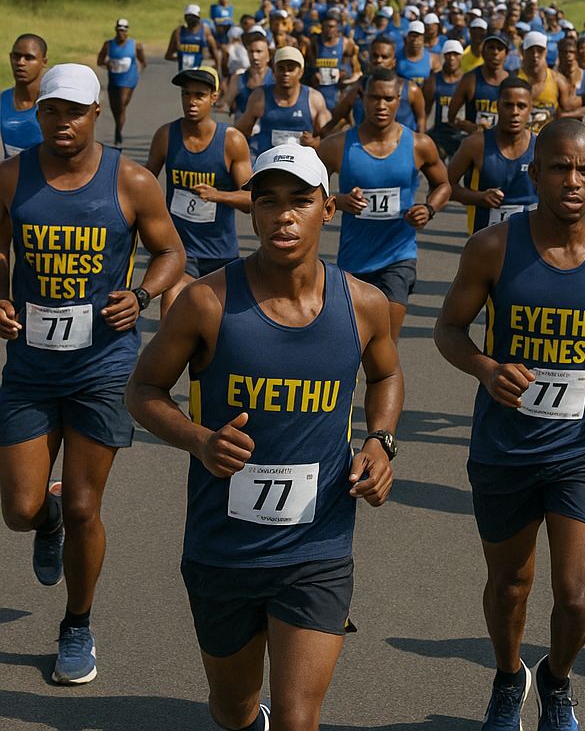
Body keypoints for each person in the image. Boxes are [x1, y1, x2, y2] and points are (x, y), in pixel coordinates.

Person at [125, 145, 404, 731]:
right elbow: (144, 390)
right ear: (250, 211)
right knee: (233, 710)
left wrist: (380, 440)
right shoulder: (206, 301)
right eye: (268, 201)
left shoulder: (363, 304)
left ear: (328, 209)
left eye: (300, 201)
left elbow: (385, 372)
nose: (284, 215)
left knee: (298, 720)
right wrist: (199, 440)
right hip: (222, 546)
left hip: (317, 546)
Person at [435, 118, 585, 731]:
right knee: (510, 584)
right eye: (559, 167)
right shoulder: (495, 247)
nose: (574, 180)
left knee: (579, 592)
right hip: (505, 447)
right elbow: (448, 329)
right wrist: (484, 367)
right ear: (535, 173)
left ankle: (556, 681)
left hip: (584, 447)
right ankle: (510, 679)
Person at [0, 63, 184, 684]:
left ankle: (77, 624)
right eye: (51, 111)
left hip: (102, 365)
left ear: (95, 114)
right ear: (39, 113)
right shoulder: (11, 177)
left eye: (74, 112)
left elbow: (170, 250)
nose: (62, 123)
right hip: (29, 365)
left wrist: (143, 294)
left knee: (85, 506)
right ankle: (43, 521)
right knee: (21, 508)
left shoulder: (129, 181)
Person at [318, 68, 450, 343]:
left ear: (399, 99)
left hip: (398, 257)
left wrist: (428, 209)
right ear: (362, 97)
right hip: (354, 259)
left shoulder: (419, 144)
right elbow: (308, 193)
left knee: (386, 343)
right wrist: (339, 201)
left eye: (389, 99)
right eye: (375, 98)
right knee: (352, 342)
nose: (381, 105)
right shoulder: (337, 146)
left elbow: (443, 185)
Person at [146, 67, 253, 317]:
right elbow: (145, 182)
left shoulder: (231, 141)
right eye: (186, 95)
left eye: (199, 95)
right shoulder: (166, 135)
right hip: (181, 251)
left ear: (214, 97)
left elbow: (251, 200)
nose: (191, 102)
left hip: (221, 253)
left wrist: (217, 195)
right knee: (170, 308)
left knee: (219, 330)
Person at [447, 77, 537, 234]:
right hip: (484, 243)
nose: (515, 112)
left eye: (521, 106)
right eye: (508, 105)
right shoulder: (475, 144)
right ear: (497, 106)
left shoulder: (541, 146)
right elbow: (445, 186)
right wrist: (479, 198)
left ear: (530, 109)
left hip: (529, 242)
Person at [235, 47, 331, 156]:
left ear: (301, 72)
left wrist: (315, 142)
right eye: (281, 68)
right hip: (267, 161)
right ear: (274, 71)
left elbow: (327, 136)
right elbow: (240, 132)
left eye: (291, 69)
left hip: (301, 163)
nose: (286, 73)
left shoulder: (314, 98)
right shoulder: (260, 96)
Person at [325, 37, 425, 135]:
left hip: (402, 148)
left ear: (393, 62)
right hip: (364, 147)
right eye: (375, 56)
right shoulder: (359, 87)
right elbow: (337, 117)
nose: (379, 60)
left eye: (384, 57)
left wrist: (420, 143)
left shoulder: (411, 89)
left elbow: (421, 119)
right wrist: (318, 137)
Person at [96, 18, 146, 147]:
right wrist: (109, 63)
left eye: (123, 31)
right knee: (115, 107)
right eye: (119, 31)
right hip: (114, 79)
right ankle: (117, 126)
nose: (121, 34)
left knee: (121, 103)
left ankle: (118, 132)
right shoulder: (108, 45)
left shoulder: (135, 45)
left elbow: (143, 61)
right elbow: (100, 61)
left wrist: (139, 72)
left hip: (129, 79)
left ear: (127, 31)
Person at [450, 32, 511, 134]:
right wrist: (466, 126)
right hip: (475, 143)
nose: (495, 52)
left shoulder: (512, 82)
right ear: (483, 52)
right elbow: (451, 116)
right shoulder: (470, 79)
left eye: (499, 48)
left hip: (503, 143)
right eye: (491, 47)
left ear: (506, 55)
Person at [1, 33, 46, 159]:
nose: (21, 62)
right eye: (16, 56)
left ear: (44, 62)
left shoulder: (51, 105)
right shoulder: (2, 101)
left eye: (29, 58)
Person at [520, 31, 573, 134]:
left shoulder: (558, 81)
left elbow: (565, 116)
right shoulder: (513, 78)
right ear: (523, 52)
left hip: (546, 142)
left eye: (539, 51)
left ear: (546, 52)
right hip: (519, 143)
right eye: (531, 50)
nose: (535, 55)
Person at [422, 40, 466, 160]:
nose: (452, 58)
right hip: (440, 134)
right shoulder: (433, 81)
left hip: (461, 134)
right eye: (448, 54)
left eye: (455, 54)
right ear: (443, 56)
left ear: (461, 57)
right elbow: (425, 111)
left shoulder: (468, 81)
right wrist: (422, 134)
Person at [304, 13, 356, 112]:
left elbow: (353, 69)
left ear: (337, 28)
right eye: (326, 26)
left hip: (336, 92)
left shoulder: (346, 43)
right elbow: (308, 65)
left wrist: (344, 74)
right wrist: (313, 75)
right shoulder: (314, 42)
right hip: (318, 90)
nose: (329, 29)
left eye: (332, 27)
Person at [166, 4, 221, 73]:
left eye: (192, 17)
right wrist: (182, 58)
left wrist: (217, 70)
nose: (190, 19)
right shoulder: (178, 31)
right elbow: (168, 55)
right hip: (183, 75)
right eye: (188, 16)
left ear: (198, 17)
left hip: (199, 74)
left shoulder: (205, 31)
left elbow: (215, 53)